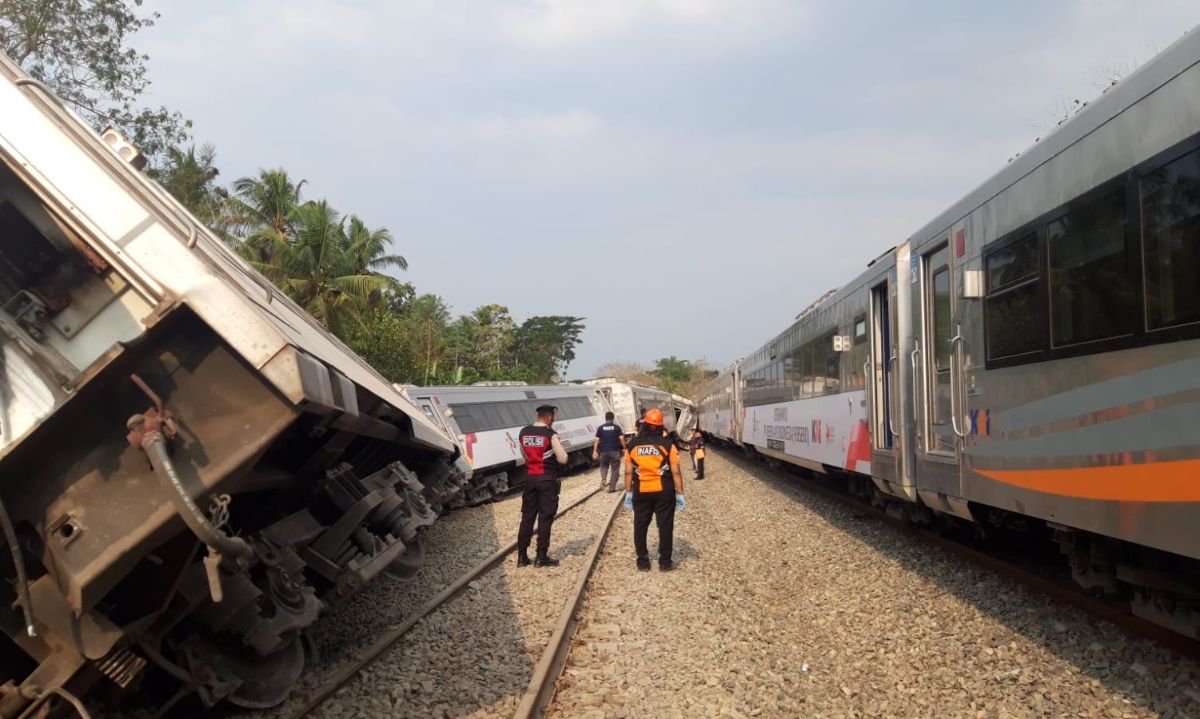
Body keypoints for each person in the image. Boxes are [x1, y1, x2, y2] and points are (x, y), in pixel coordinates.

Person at [623, 408, 686, 571]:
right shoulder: (668, 445)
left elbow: (629, 472)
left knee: (640, 525)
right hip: (664, 491)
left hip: (641, 491)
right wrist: (680, 493)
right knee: (665, 526)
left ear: (644, 425)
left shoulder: (631, 446)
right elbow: (676, 471)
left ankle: (642, 562)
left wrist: (628, 491)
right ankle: (665, 563)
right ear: (660, 426)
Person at [517, 405, 568, 568]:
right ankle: (541, 556)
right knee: (545, 517)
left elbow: (523, 454)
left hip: (530, 478)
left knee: (527, 517)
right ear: (549, 418)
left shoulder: (524, 432)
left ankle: (522, 556)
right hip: (546, 480)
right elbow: (562, 459)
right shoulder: (550, 434)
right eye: (553, 417)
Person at [592, 411, 626, 493]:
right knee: (615, 469)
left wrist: (595, 450)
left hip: (603, 452)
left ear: (605, 418)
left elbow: (596, 440)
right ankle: (612, 488)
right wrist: (624, 448)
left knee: (603, 466)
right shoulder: (617, 427)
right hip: (615, 451)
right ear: (613, 418)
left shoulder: (600, 428)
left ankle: (604, 477)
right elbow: (621, 438)